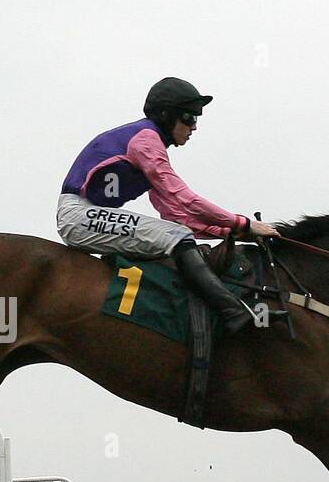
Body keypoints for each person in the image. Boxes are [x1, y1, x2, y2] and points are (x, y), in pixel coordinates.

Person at [58, 77, 280, 333]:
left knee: (174, 235)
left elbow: (176, 215)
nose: (194, 127)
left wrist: (231, 233)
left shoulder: (150, 146)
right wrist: (243, 223)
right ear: (166, 115)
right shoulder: (145, 142)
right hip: (78, 215)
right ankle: (232, 312)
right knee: (176, 237)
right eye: (189, 118)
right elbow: (185, 198)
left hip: (90, 215)